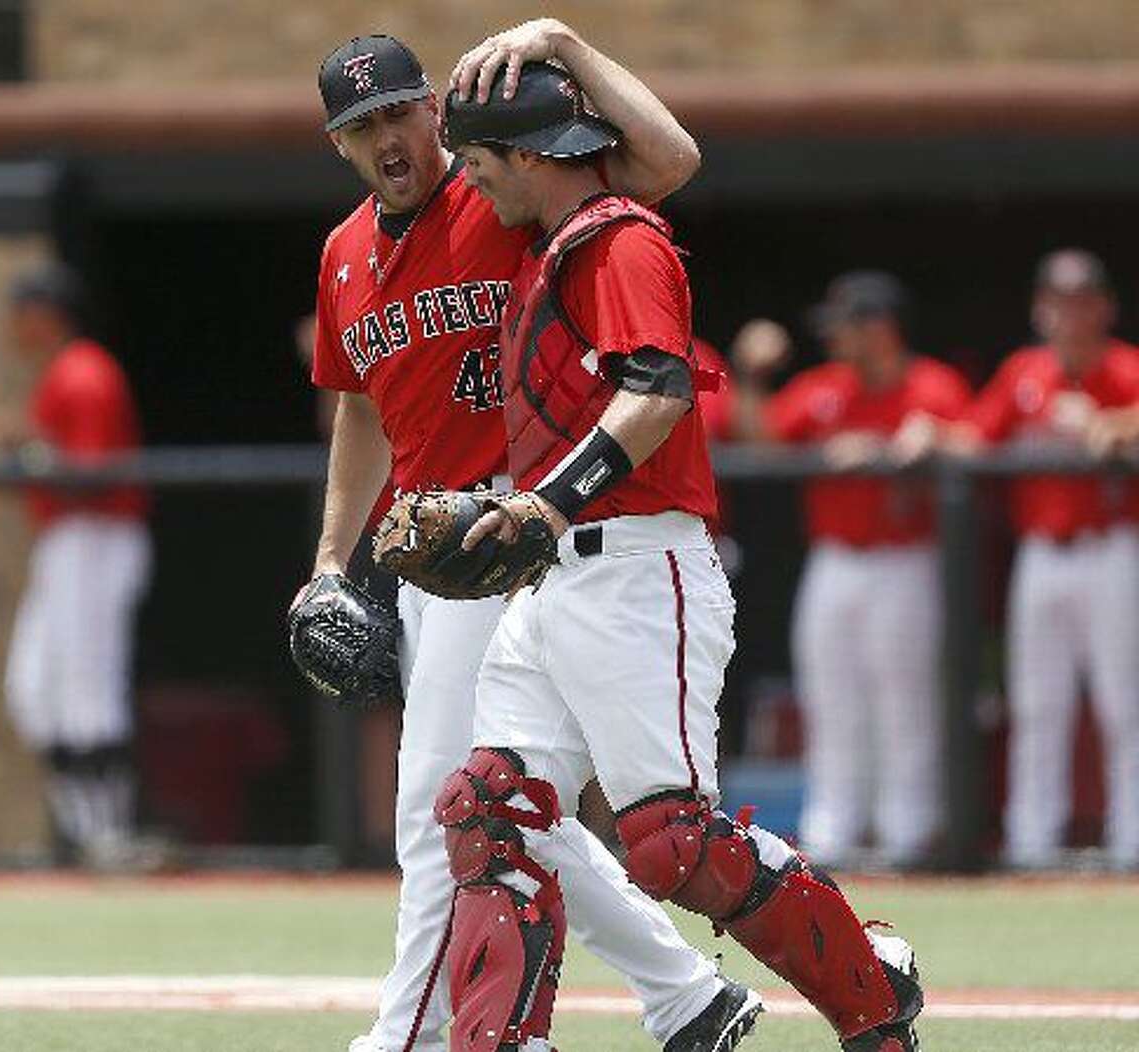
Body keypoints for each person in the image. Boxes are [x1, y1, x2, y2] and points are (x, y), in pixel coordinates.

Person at [439, 65, 924, 1052]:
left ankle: (873, 997)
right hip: (560, 569)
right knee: (491, 809)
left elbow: (659, 390)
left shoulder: (619, 239)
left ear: (531, 154)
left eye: (481, 161)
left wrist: (562, 37)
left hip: (635, 565)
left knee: (670, 842)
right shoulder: (553, 240)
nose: (471, 183)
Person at [303, 22, 754, 1052]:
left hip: (524, 514)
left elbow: (670, 163)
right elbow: (359, 407)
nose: (386, 140)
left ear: (435, 111)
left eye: (397, 113)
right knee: (501, 804)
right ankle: (687, 990)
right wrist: (331, 561)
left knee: (434, 802)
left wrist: (565, 44)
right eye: (358, 126)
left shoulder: (505, 191)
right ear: (335, 144)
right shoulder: (341, 258)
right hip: (431, 545)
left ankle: (404, 1034)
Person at [731, 273, 972, 868]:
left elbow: (977, 438)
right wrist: (754, 376)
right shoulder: (823, 389)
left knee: (906, 698)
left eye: (845, 325)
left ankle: (908, 832)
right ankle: (834, 828)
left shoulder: (932, 385)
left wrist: (931, 438)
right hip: (835, 560)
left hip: (904, 559)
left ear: (879, 328)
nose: (834, 336)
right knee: (831, 696)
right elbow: (761, 439)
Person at [947, 249, 1139, 870]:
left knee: (1124, 703)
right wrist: (927, 432)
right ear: (1040, 308)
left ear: (1105, 307)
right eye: (1058, 300)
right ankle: (1033, 845)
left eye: (1082, 299)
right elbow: (975, 433)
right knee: (1037, 702)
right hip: (1043, 556)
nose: (1069, 312)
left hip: (1111, 549)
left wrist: (1112, 423)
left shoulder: (1127, 369)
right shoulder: (1024, 372)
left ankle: (1131, 842)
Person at [1, 261, 152, 866]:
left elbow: (90, 474)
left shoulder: (84, 371)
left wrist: (30, 453)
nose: (12, 328)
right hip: (65, 542)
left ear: (45, 315)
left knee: (89, 691)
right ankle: (88, 832)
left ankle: (110, 834)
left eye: (20, 315)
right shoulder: (61, 373)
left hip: (97, 536)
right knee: (34, 691)